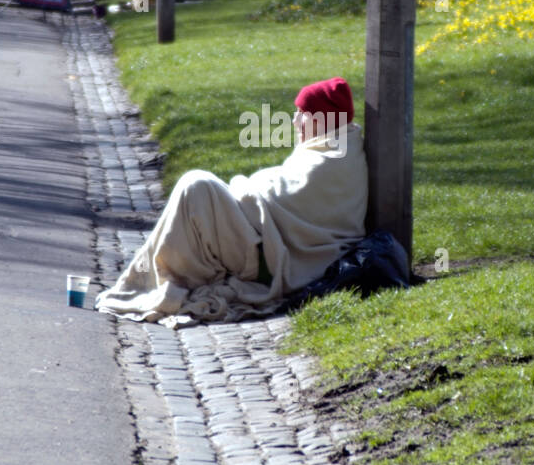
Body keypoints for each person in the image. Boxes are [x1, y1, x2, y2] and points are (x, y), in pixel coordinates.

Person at [95, 77, 367, 327]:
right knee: (198, 192)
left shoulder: (327, 163)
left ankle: (146, 285)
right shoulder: (335, 148)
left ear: (321, 120)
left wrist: (242, 189)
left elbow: (280, 202)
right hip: (267, 245)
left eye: (301, 114)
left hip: (270, 262)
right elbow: (283, 195)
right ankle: (145, 281)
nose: (294, 122)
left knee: (197, 186)